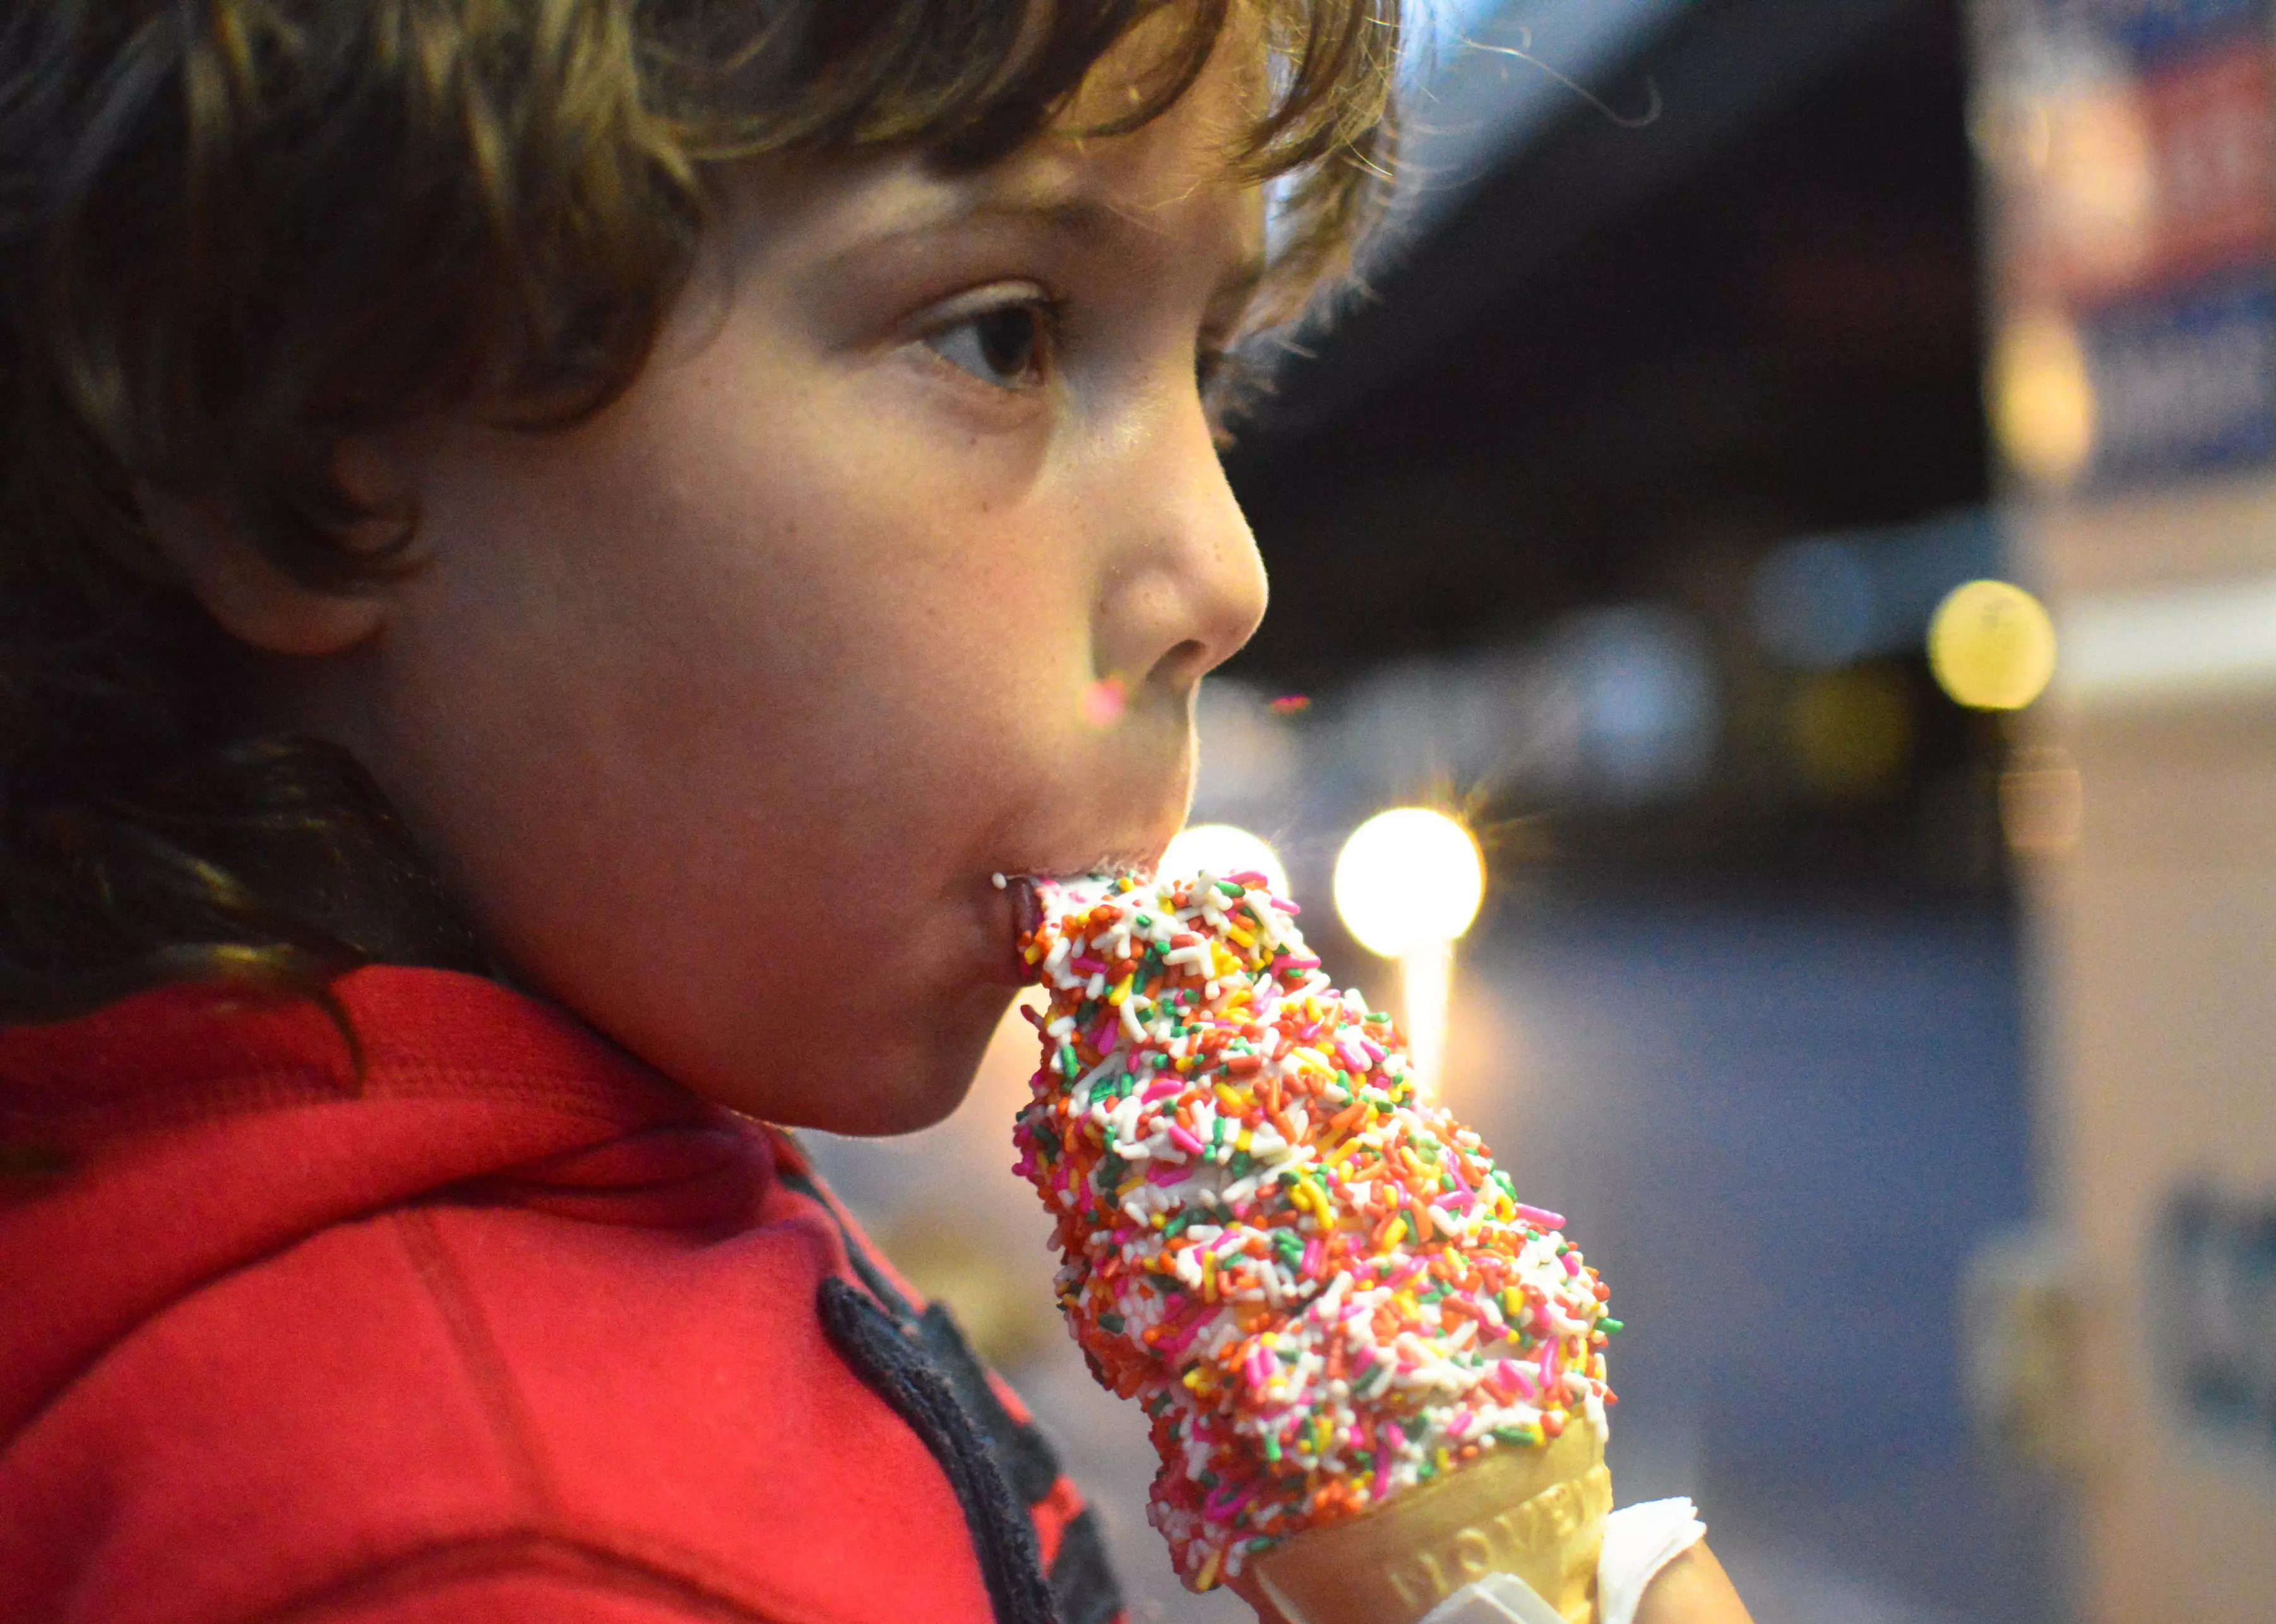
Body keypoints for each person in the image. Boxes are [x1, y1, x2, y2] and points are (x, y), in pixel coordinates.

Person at [0, 4, 1749, 1621]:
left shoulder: (544, 1191)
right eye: (1004, 334)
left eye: (1209, 367)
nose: (1226, 573)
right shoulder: (505, 1542)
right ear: (312, 435)